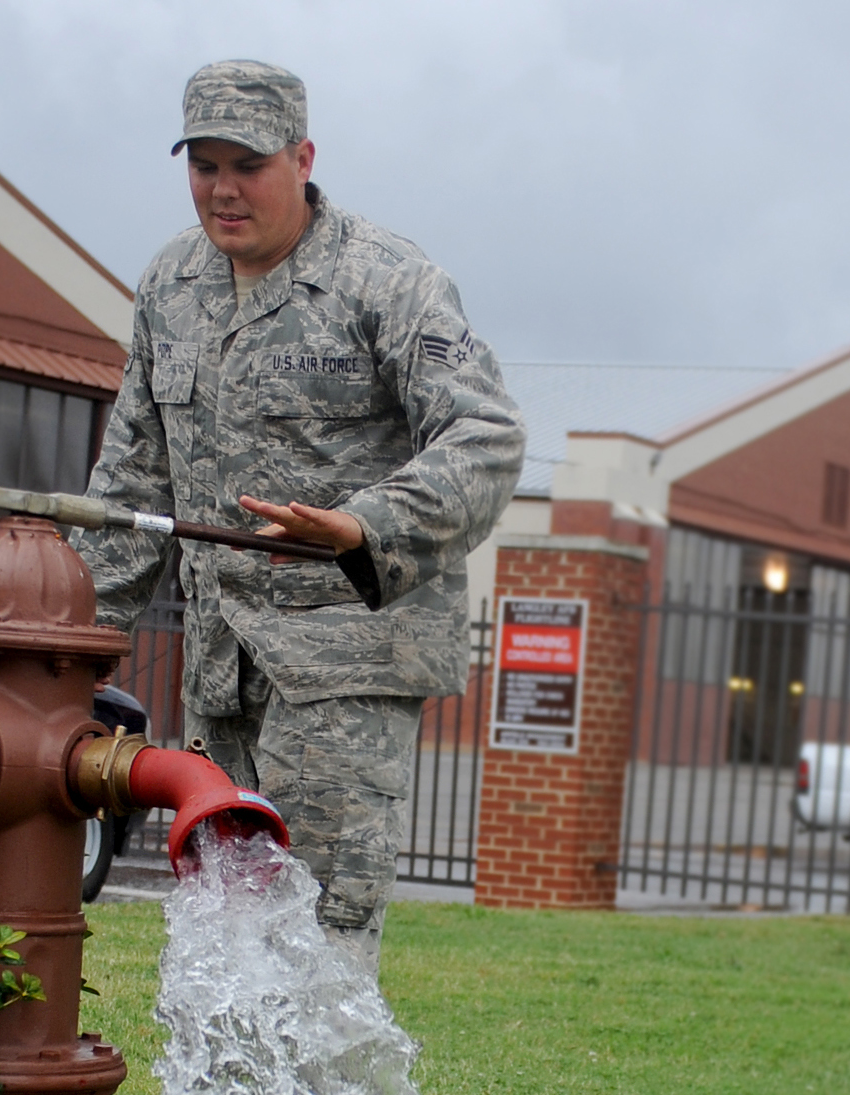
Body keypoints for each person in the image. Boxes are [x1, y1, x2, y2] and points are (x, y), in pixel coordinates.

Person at [76, 59, 524, 971]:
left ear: (303, 158)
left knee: (315, 933)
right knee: (222, 924)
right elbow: (132, 478)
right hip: (220, 672)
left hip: (342, 665)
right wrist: (69, 640)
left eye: (248, 165)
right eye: (204, 165)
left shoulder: (386, 281)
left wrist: (366, 524)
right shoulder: (170, 285)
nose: (223, 189)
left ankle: (321, 1074)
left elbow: (486, 437)